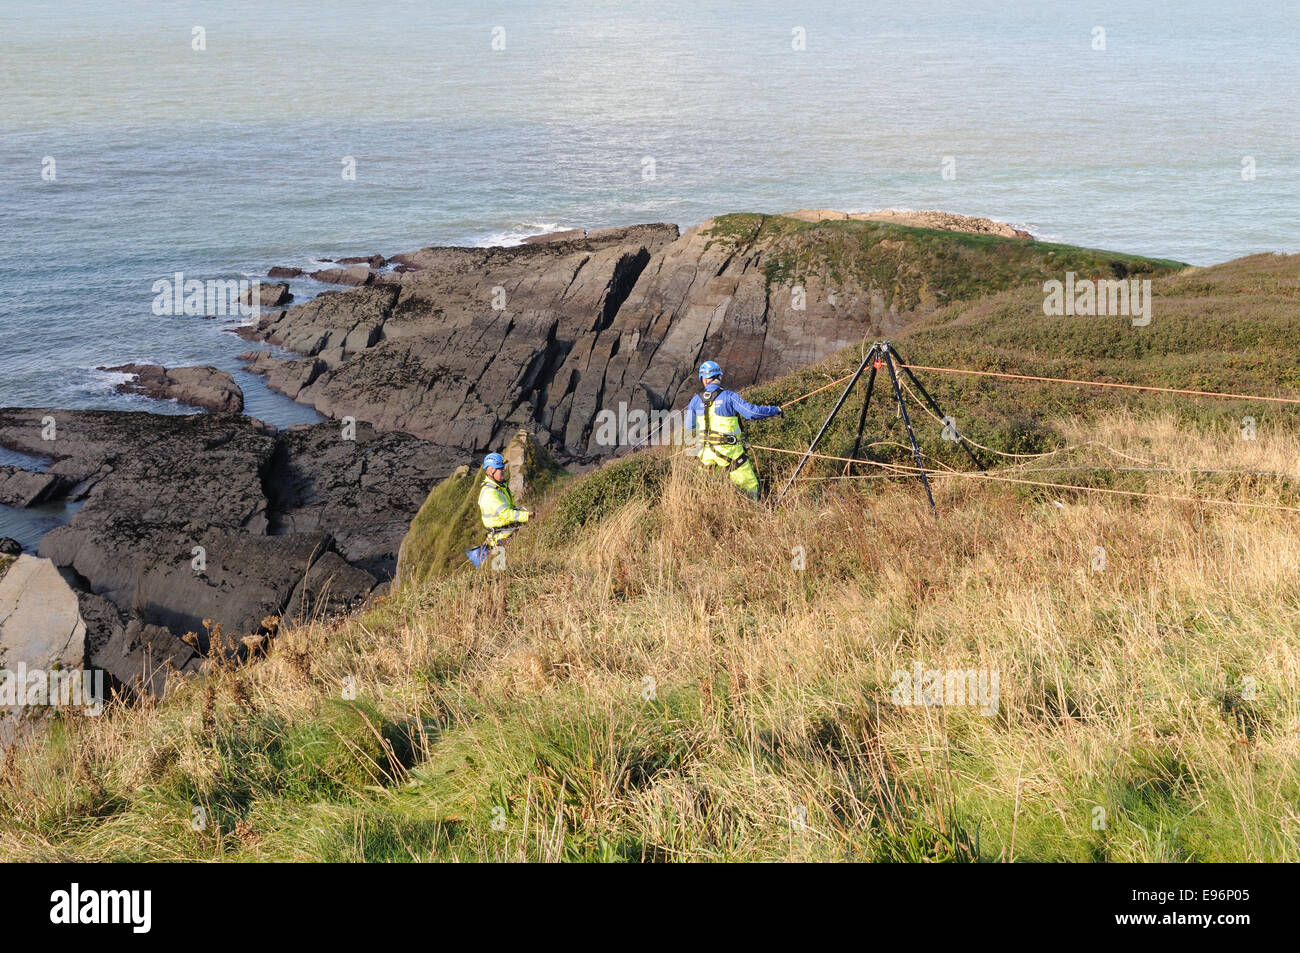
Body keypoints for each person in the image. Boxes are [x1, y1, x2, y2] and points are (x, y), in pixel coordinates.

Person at [684, 360, 782, 498]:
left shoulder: (695, 400)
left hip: (705, 452)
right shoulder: (729, 396)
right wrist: (774, 410)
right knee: (749, 485)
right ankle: (753, 510)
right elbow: (752, 413)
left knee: (703, 487)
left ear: (704, 380)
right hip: (729, 450)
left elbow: (689, 425)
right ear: (719, 377)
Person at [477, 452, 533, 548]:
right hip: (501, 539)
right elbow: (506, 513)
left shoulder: (500, 487)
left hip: (505, 534)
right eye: (500, 469)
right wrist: (527, 515)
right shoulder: (490, 492)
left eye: (503, 468)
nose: (503, 471)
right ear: (491, 471)